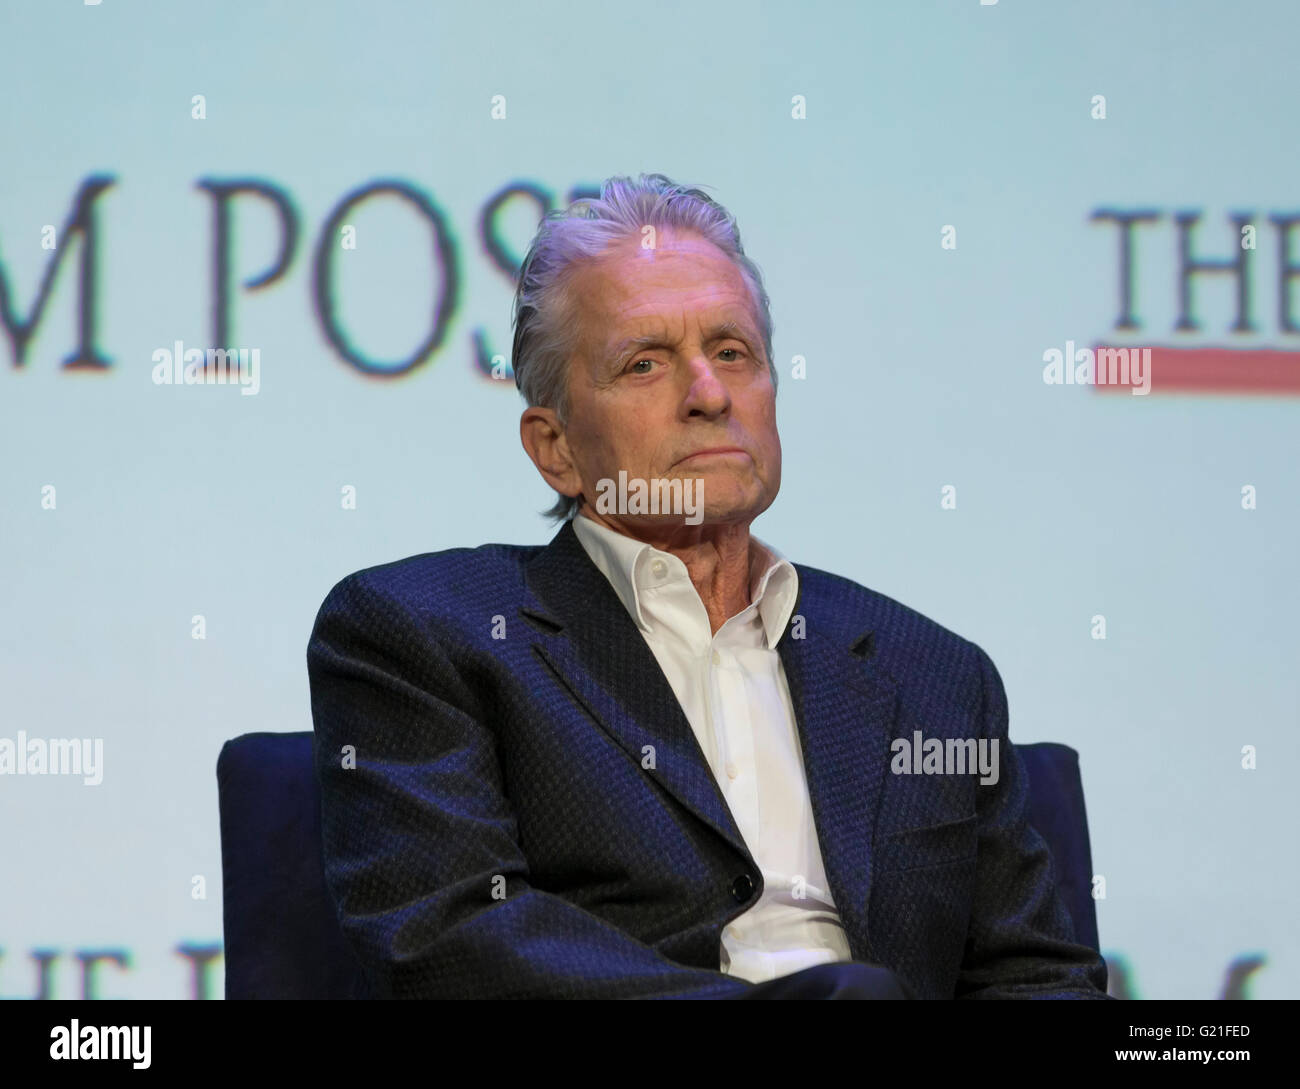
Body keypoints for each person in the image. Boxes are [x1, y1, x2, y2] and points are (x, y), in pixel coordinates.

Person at [306, 173, 1110, 999]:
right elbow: (453, 933)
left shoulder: (934, 673)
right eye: (645, 362)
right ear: (556, 448)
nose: (710, 393)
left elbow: (1037, 972)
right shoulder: (425, 631)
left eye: (733, 351)